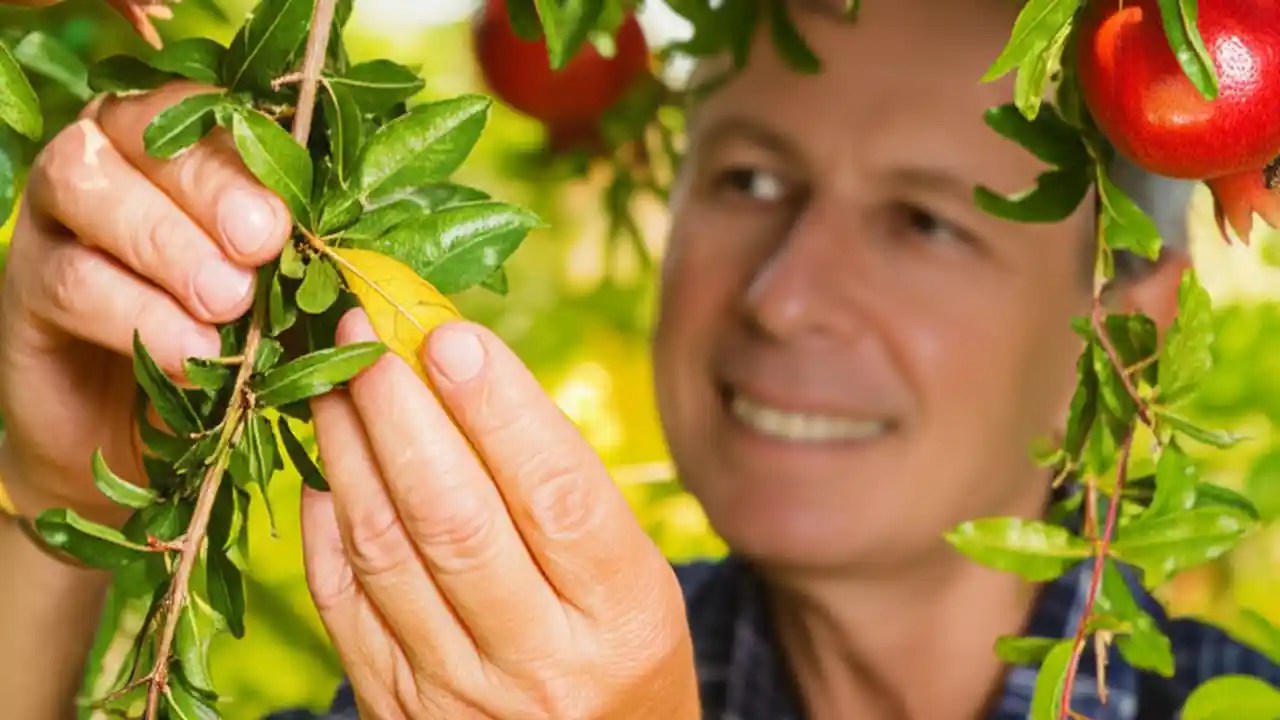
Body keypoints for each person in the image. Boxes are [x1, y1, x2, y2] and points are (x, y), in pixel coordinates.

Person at [1, 0, 1277, 718]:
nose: (784, 298)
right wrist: (49, 509)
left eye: (924, 220)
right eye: (750, 178)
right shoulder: (477, 689)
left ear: (1121, 323)